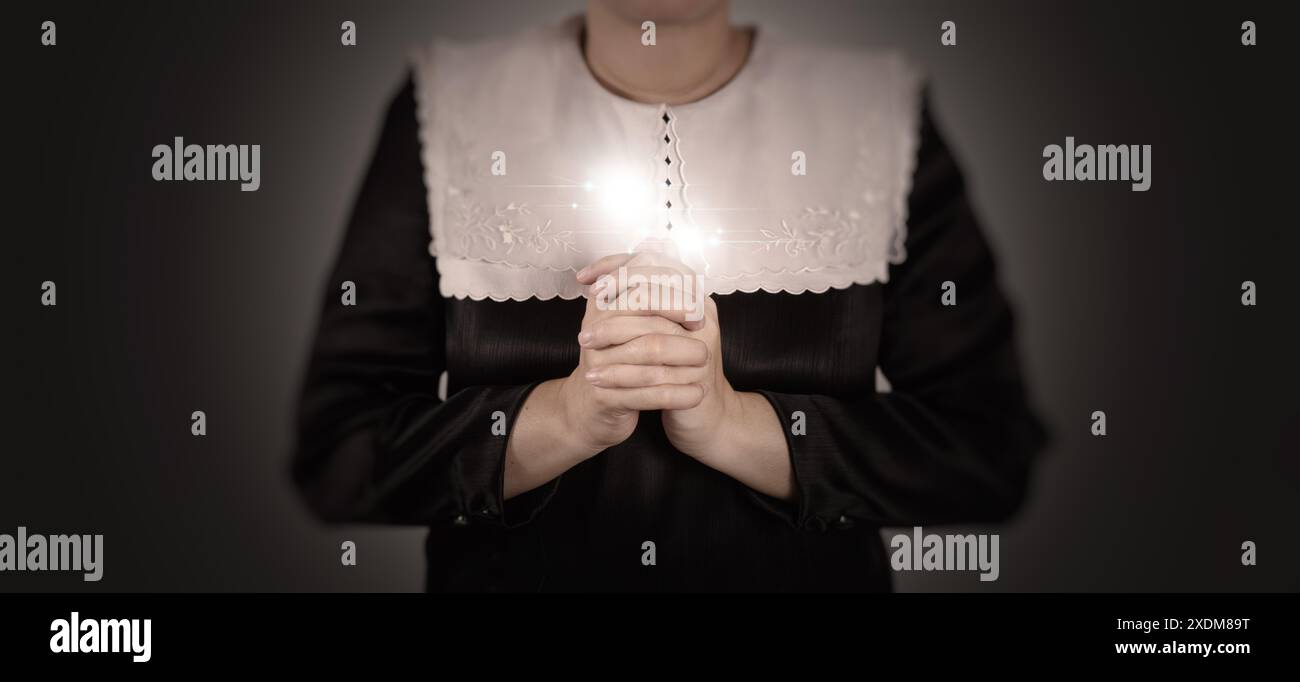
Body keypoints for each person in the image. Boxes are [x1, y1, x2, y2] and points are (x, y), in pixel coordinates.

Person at [292, 0, 1048, 591]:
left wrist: (736, 425)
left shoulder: (874, 112)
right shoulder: (448, 106)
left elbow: (987, 448)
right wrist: (567, 416)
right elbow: (339, 454)